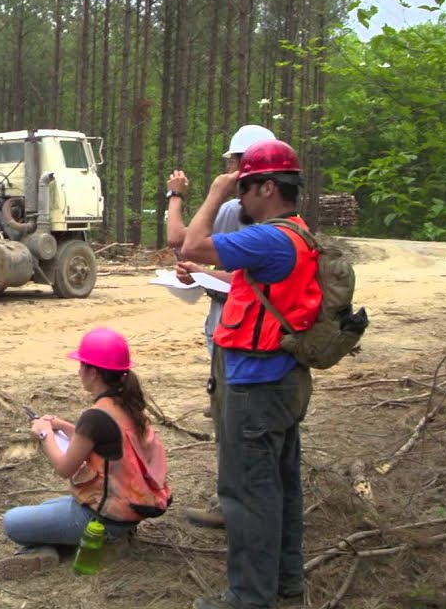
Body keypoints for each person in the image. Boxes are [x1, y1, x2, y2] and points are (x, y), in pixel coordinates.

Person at [181, 139, 320, 609]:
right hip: (282, 380)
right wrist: (204, 276)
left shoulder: (269, 237)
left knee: (246, 493)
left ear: (266, 186)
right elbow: (249, 286)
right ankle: (285, 582)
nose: (239, 196)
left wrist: (215, 190)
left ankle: (248, 597)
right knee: (280, 485)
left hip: (256, 385)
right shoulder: (293, 234)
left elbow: (191, 243)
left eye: (244, 186)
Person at [163, 123, 275, 529]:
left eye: (231, 165)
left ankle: (234, 509)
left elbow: (180, 239)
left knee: (233, 424)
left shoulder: (232, 210)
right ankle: (246, 505)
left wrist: (177, 195)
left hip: (232, 333)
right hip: (261, 338)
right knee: (248, 427)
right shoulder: (286, 223)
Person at [0, 327, 171, 578]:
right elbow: (101, 439)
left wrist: (45, 433)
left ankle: (72, 547)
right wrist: (62, 425)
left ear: (94, 372)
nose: (79, 372)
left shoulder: (96, 416)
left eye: (82, 366)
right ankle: (69, 546)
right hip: (127, 512)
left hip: (103, 519)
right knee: (47, 507)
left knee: (13, 522)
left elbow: (64, 468)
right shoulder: (125, 403)